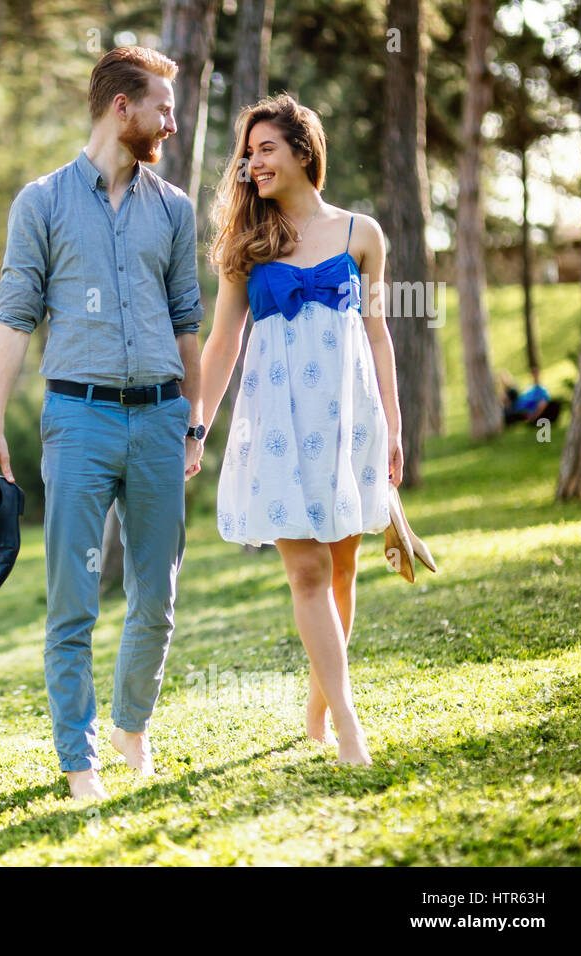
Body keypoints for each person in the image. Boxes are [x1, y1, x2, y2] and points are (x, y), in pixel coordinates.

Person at [0, 47, 206, 801]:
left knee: (156, 596)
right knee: (72, 599)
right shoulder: (39, 202)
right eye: (162, 107)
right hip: (77, 418)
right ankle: (79, 760)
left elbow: (187, 323)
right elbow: (13, 319)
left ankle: (132, 726)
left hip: (162, 418)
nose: (173, 120)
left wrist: (194, 425)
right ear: (120, 108)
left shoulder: (174, 209)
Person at [191, 94, 404, 767]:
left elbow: (378, 332)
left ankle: (318, 701)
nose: (252, 164)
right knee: (307, 570)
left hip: (346, 420)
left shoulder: (361, 234)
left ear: (303, 152)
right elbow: (223, 341)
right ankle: (347, 723)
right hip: (276, 421)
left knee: (343, 569)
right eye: (247, 153)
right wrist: (197, 426)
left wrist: (394, 428)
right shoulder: (246, 246)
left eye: (266, 150)